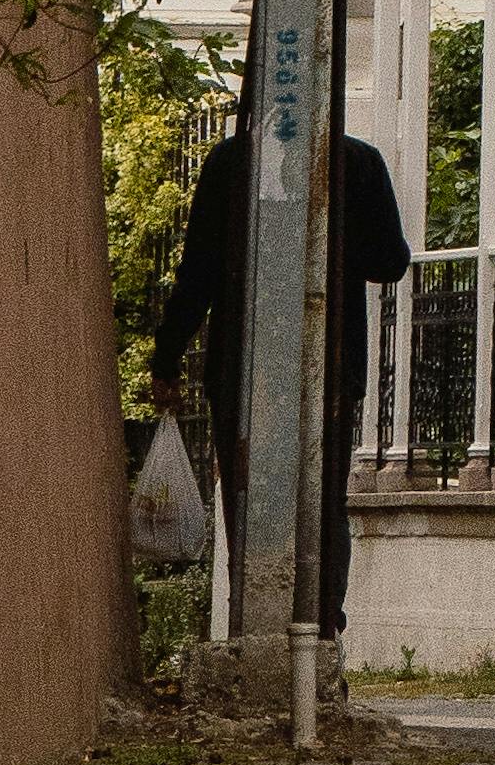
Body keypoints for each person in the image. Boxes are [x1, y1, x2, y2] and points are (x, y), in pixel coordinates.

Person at [150, 128, 414, 639]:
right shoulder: (355, 162)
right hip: (329, 365)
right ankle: (320, 627)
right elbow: (391, 261)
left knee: (249, 493)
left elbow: (197, 272)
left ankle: (256, 620)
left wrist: (168, 356)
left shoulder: (232, 161)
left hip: (244, 366)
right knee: (322, 496)